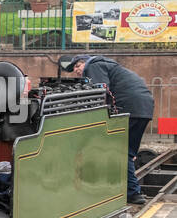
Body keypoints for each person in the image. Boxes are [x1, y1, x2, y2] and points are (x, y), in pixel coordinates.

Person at [60, 53, 154, 205]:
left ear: (85, 62)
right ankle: (127, 191)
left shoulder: (94, 65)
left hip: (127, 107)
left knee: (119, 150)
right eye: (74, 69)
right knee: (126, 151)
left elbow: (100, 92)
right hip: (144, 108)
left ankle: (130, 193)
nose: (77, 71)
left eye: (78, 66)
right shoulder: (108, 65)